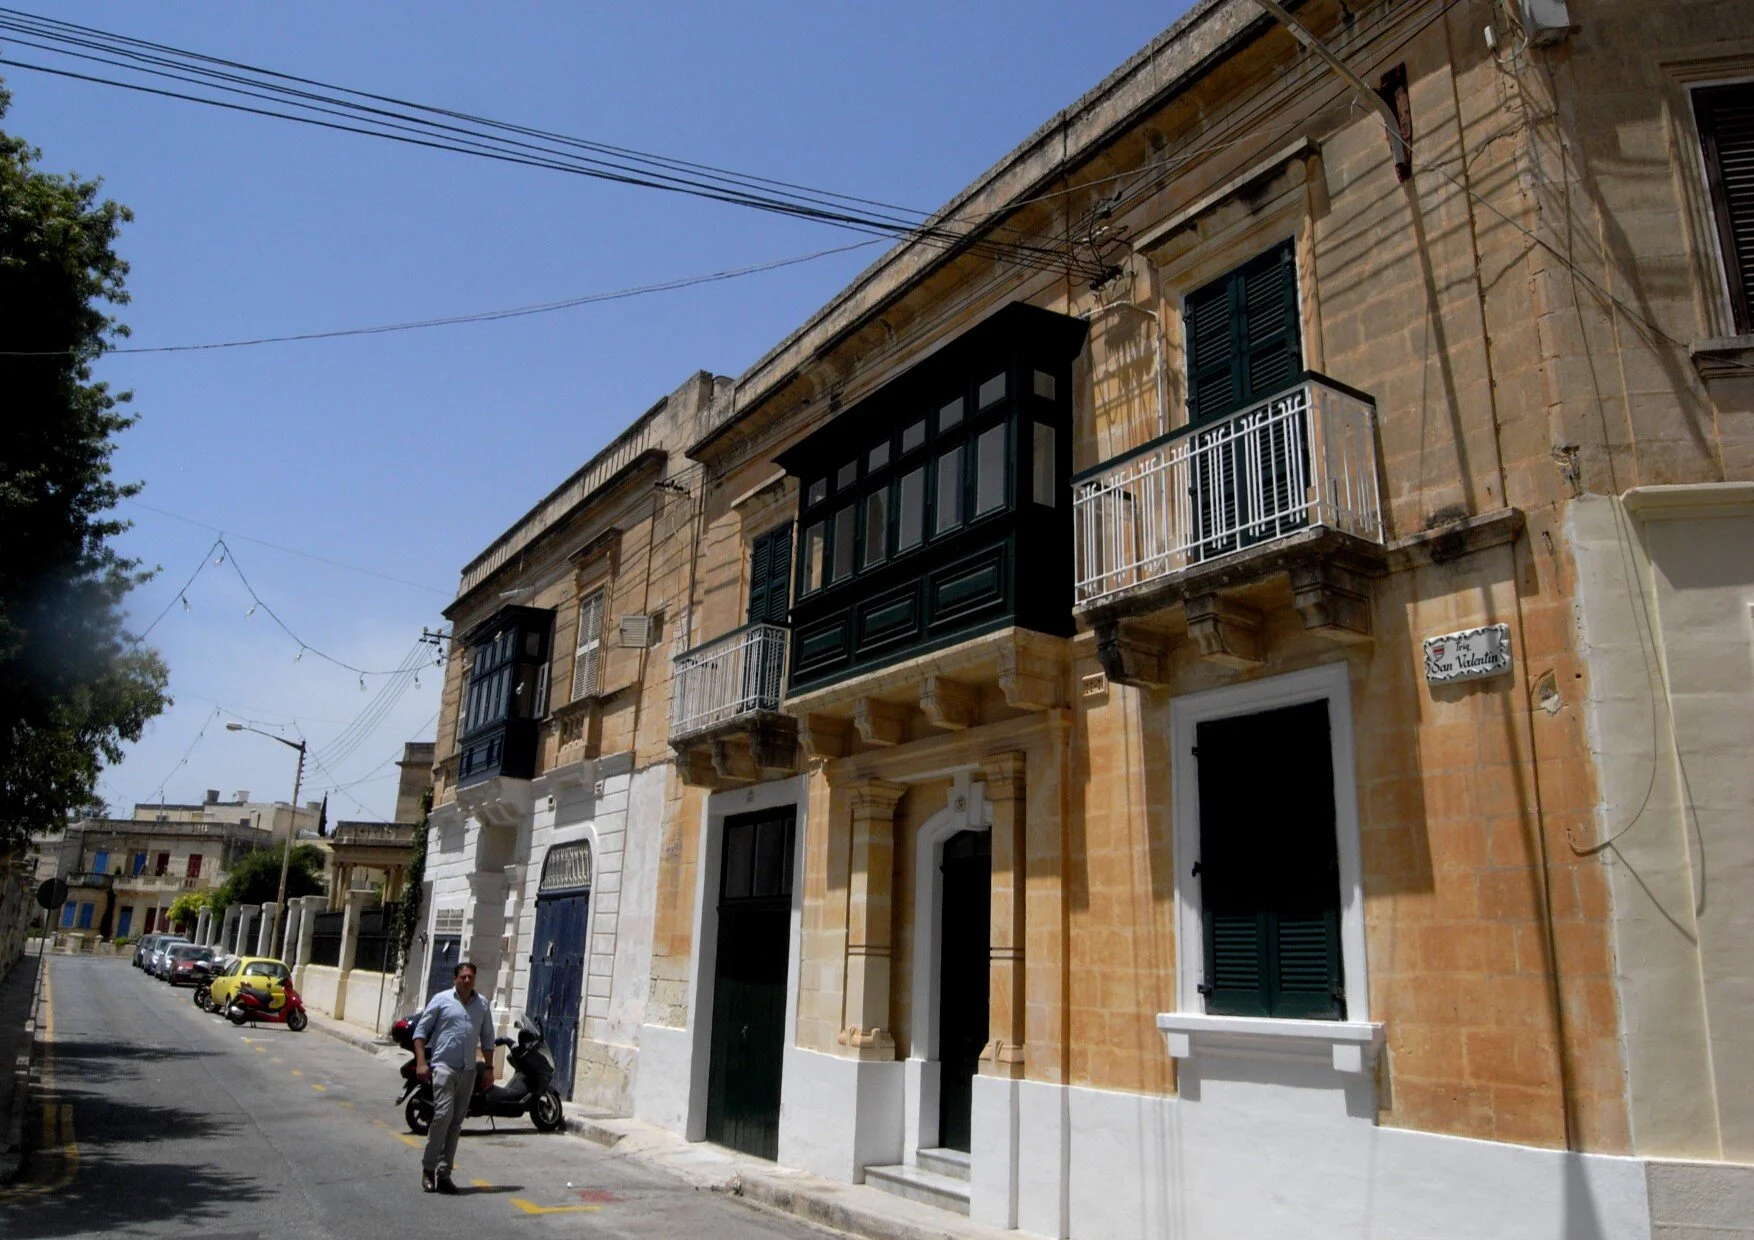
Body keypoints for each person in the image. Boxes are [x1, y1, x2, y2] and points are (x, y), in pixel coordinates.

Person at [412, 960, 495, 1193]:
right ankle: (428, 1168)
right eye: (463, 977)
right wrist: (421, 1062)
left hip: (468, 1070)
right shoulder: (441, 1000)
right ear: (455, 979)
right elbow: (420, 1033)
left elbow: (488, 1038)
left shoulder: (482, 1005)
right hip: (443, 1067)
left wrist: (489, 1069)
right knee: (443, 1116)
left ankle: (444, 1174)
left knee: (457, 1122)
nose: (467, 980)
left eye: (471, 977)